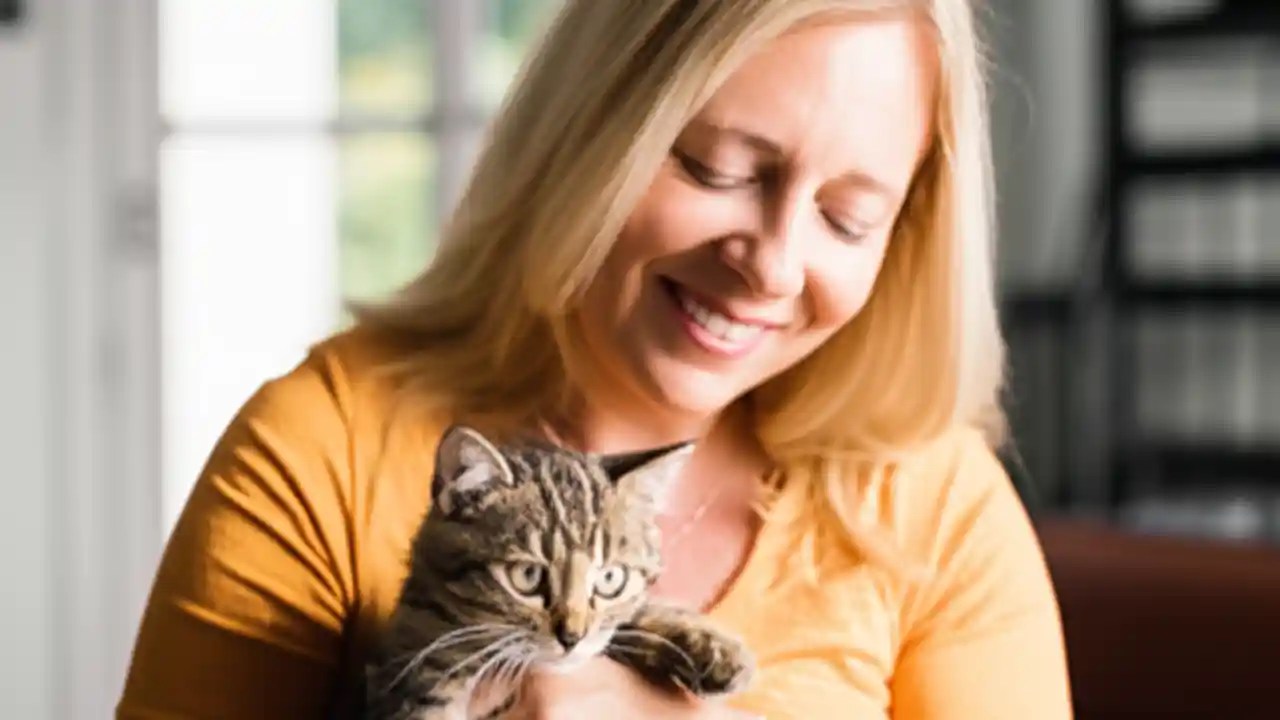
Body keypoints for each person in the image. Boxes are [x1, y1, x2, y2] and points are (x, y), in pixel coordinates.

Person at [117, 0, 1073, 717]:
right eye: (719, 169)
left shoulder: (934, 501)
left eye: (846, 218)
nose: (773, 266)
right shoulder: (320, 447)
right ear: (590, 135)